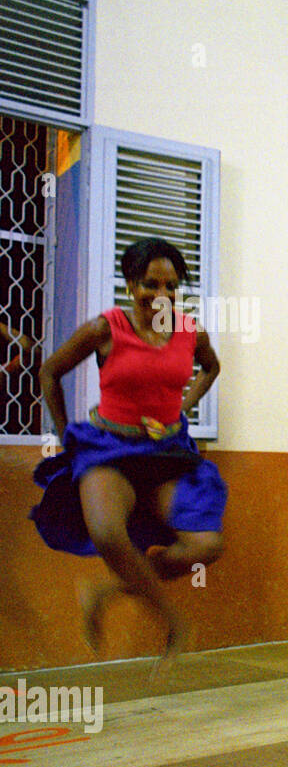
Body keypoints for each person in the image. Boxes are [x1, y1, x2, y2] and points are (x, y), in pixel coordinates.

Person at [30, 237, 226, 666]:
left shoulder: (190, 331)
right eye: (150, 285)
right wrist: (67, 439)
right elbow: (50, 373)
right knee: (107, 533)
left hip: (166, 451)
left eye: (171, 286)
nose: (161, 296)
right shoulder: (107, 329)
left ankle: (105, 592)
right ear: (130, 285)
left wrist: (185, 405)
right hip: (108, 449)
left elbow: (212, 367)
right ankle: (173, 621)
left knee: (206, 545)